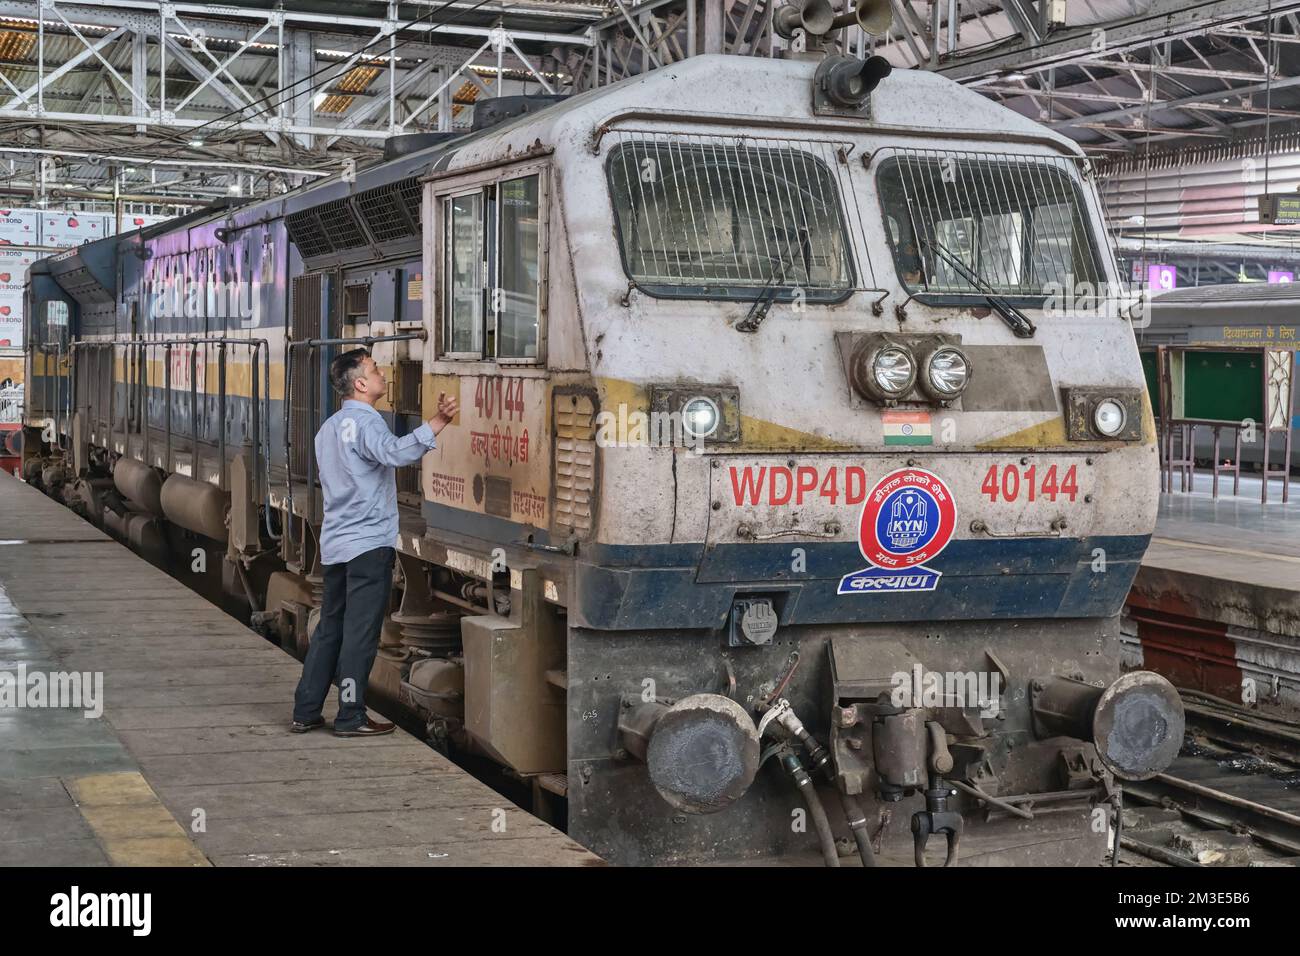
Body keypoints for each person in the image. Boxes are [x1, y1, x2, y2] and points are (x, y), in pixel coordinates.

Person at [291, 348, 459, 737]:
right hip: (367, 543)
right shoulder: (367, 424)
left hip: (335, 543)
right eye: (375, 369)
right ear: (361, 384)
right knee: (361, 632)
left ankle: (305, 710)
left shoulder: (327, 429)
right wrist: (438, 422)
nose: (382, 374)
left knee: (331, 625)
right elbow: (394, 453)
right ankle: (350, 715)